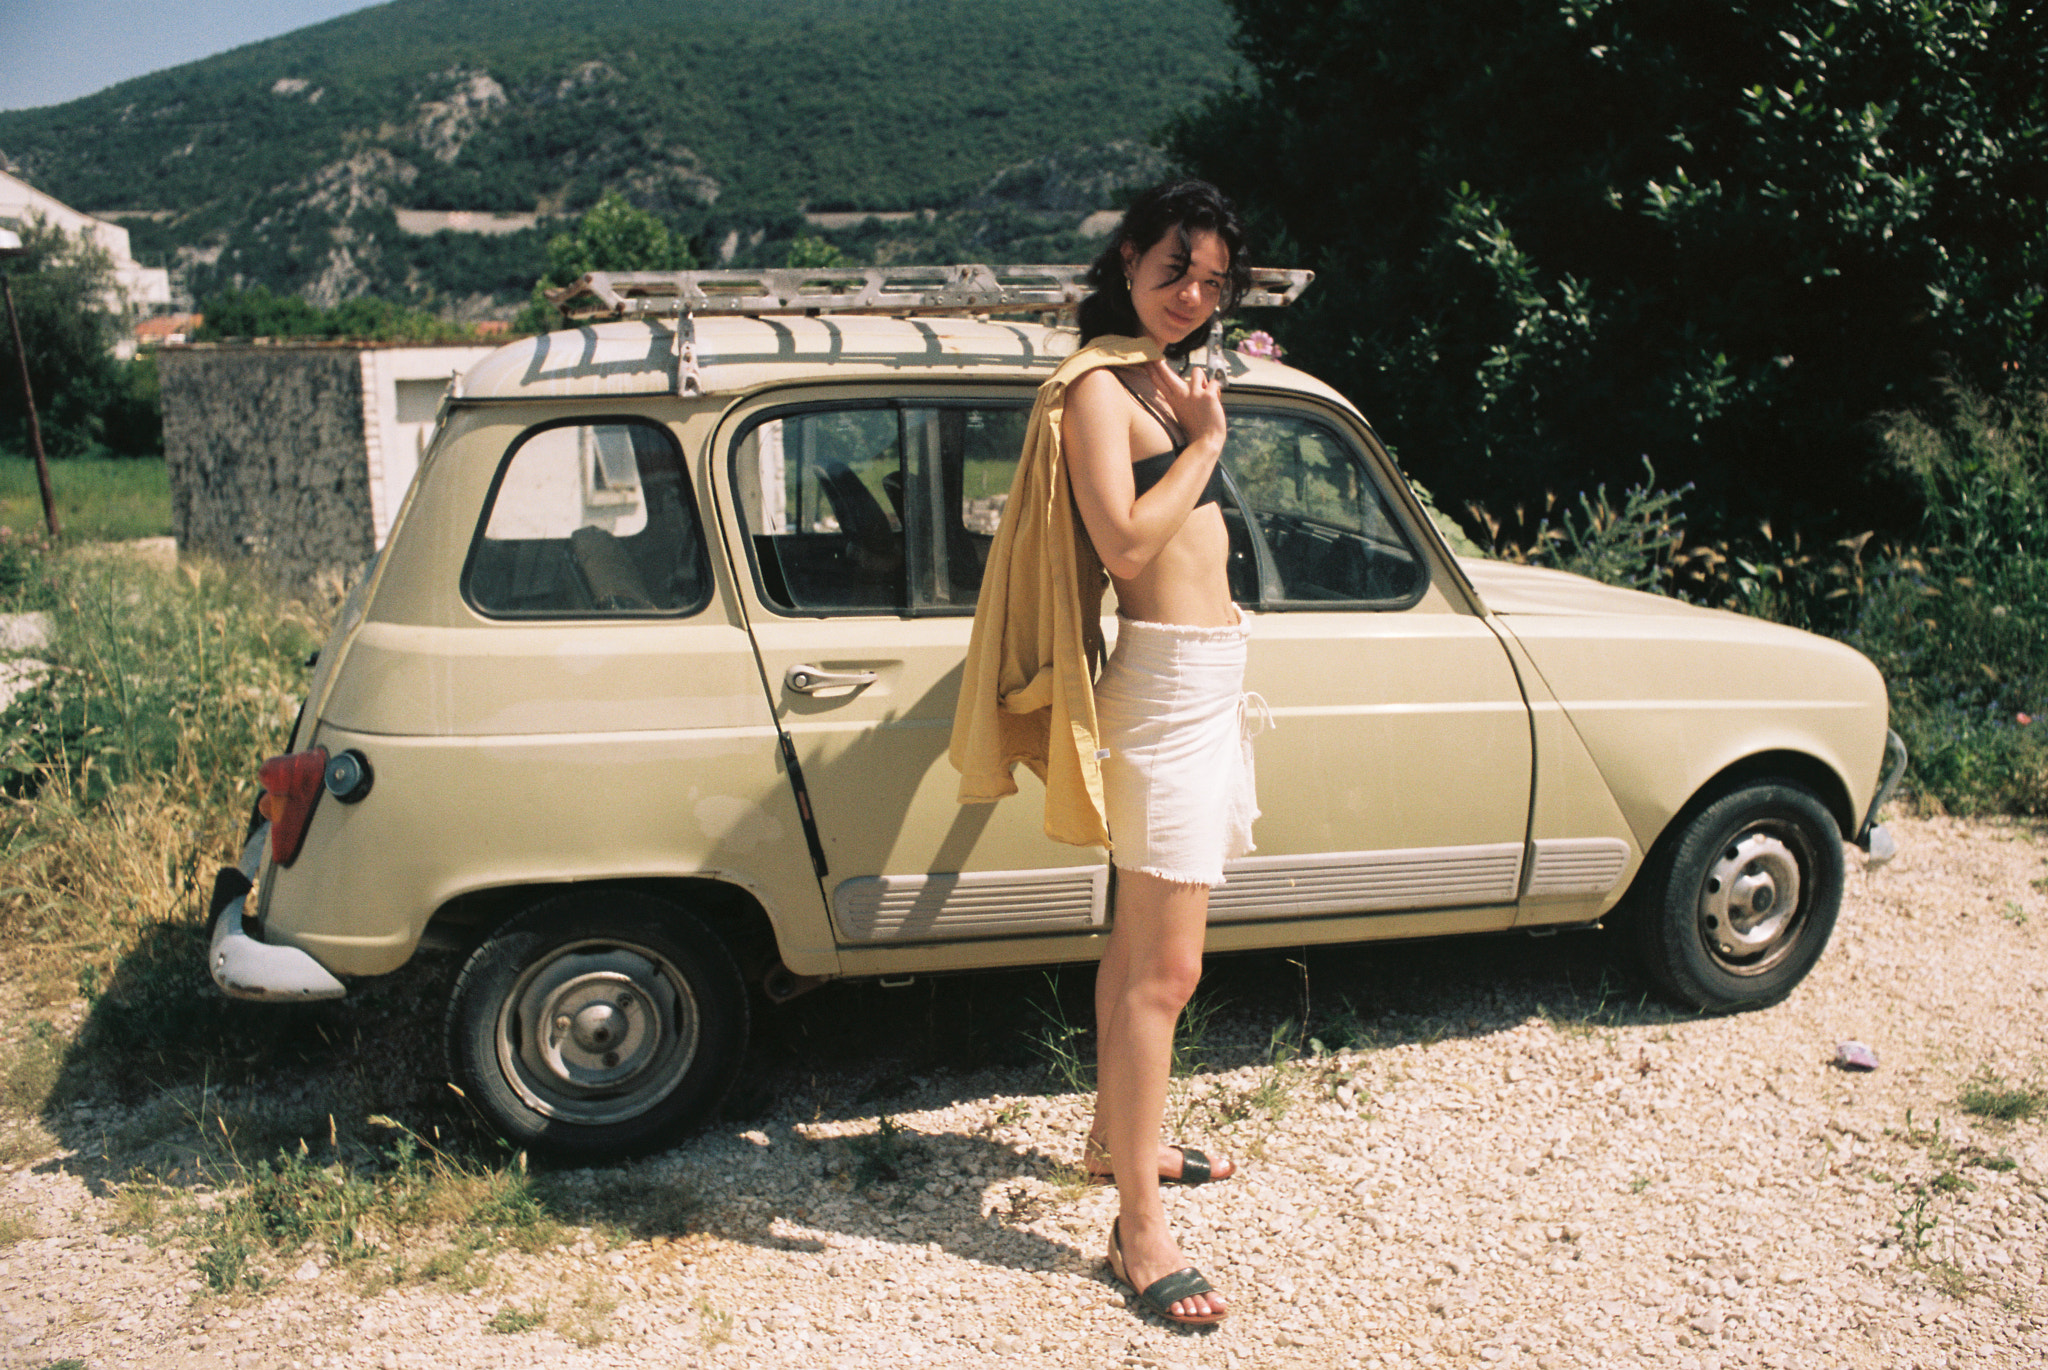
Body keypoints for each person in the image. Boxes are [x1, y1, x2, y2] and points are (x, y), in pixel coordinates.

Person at [950, 180, 1259, 1327]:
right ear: (1126, 258)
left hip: (1204, 688)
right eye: (1173, 268)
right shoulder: (1095, 389)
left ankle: (1105, 1140)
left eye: (1212, 280)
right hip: (1163, 696)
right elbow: (1126, 541)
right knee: (1163, 975)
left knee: (1134, 951)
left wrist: (1192, 417)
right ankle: (1140, 1231)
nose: (1191, 294)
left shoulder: (1158, 379)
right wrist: (1210, 438)